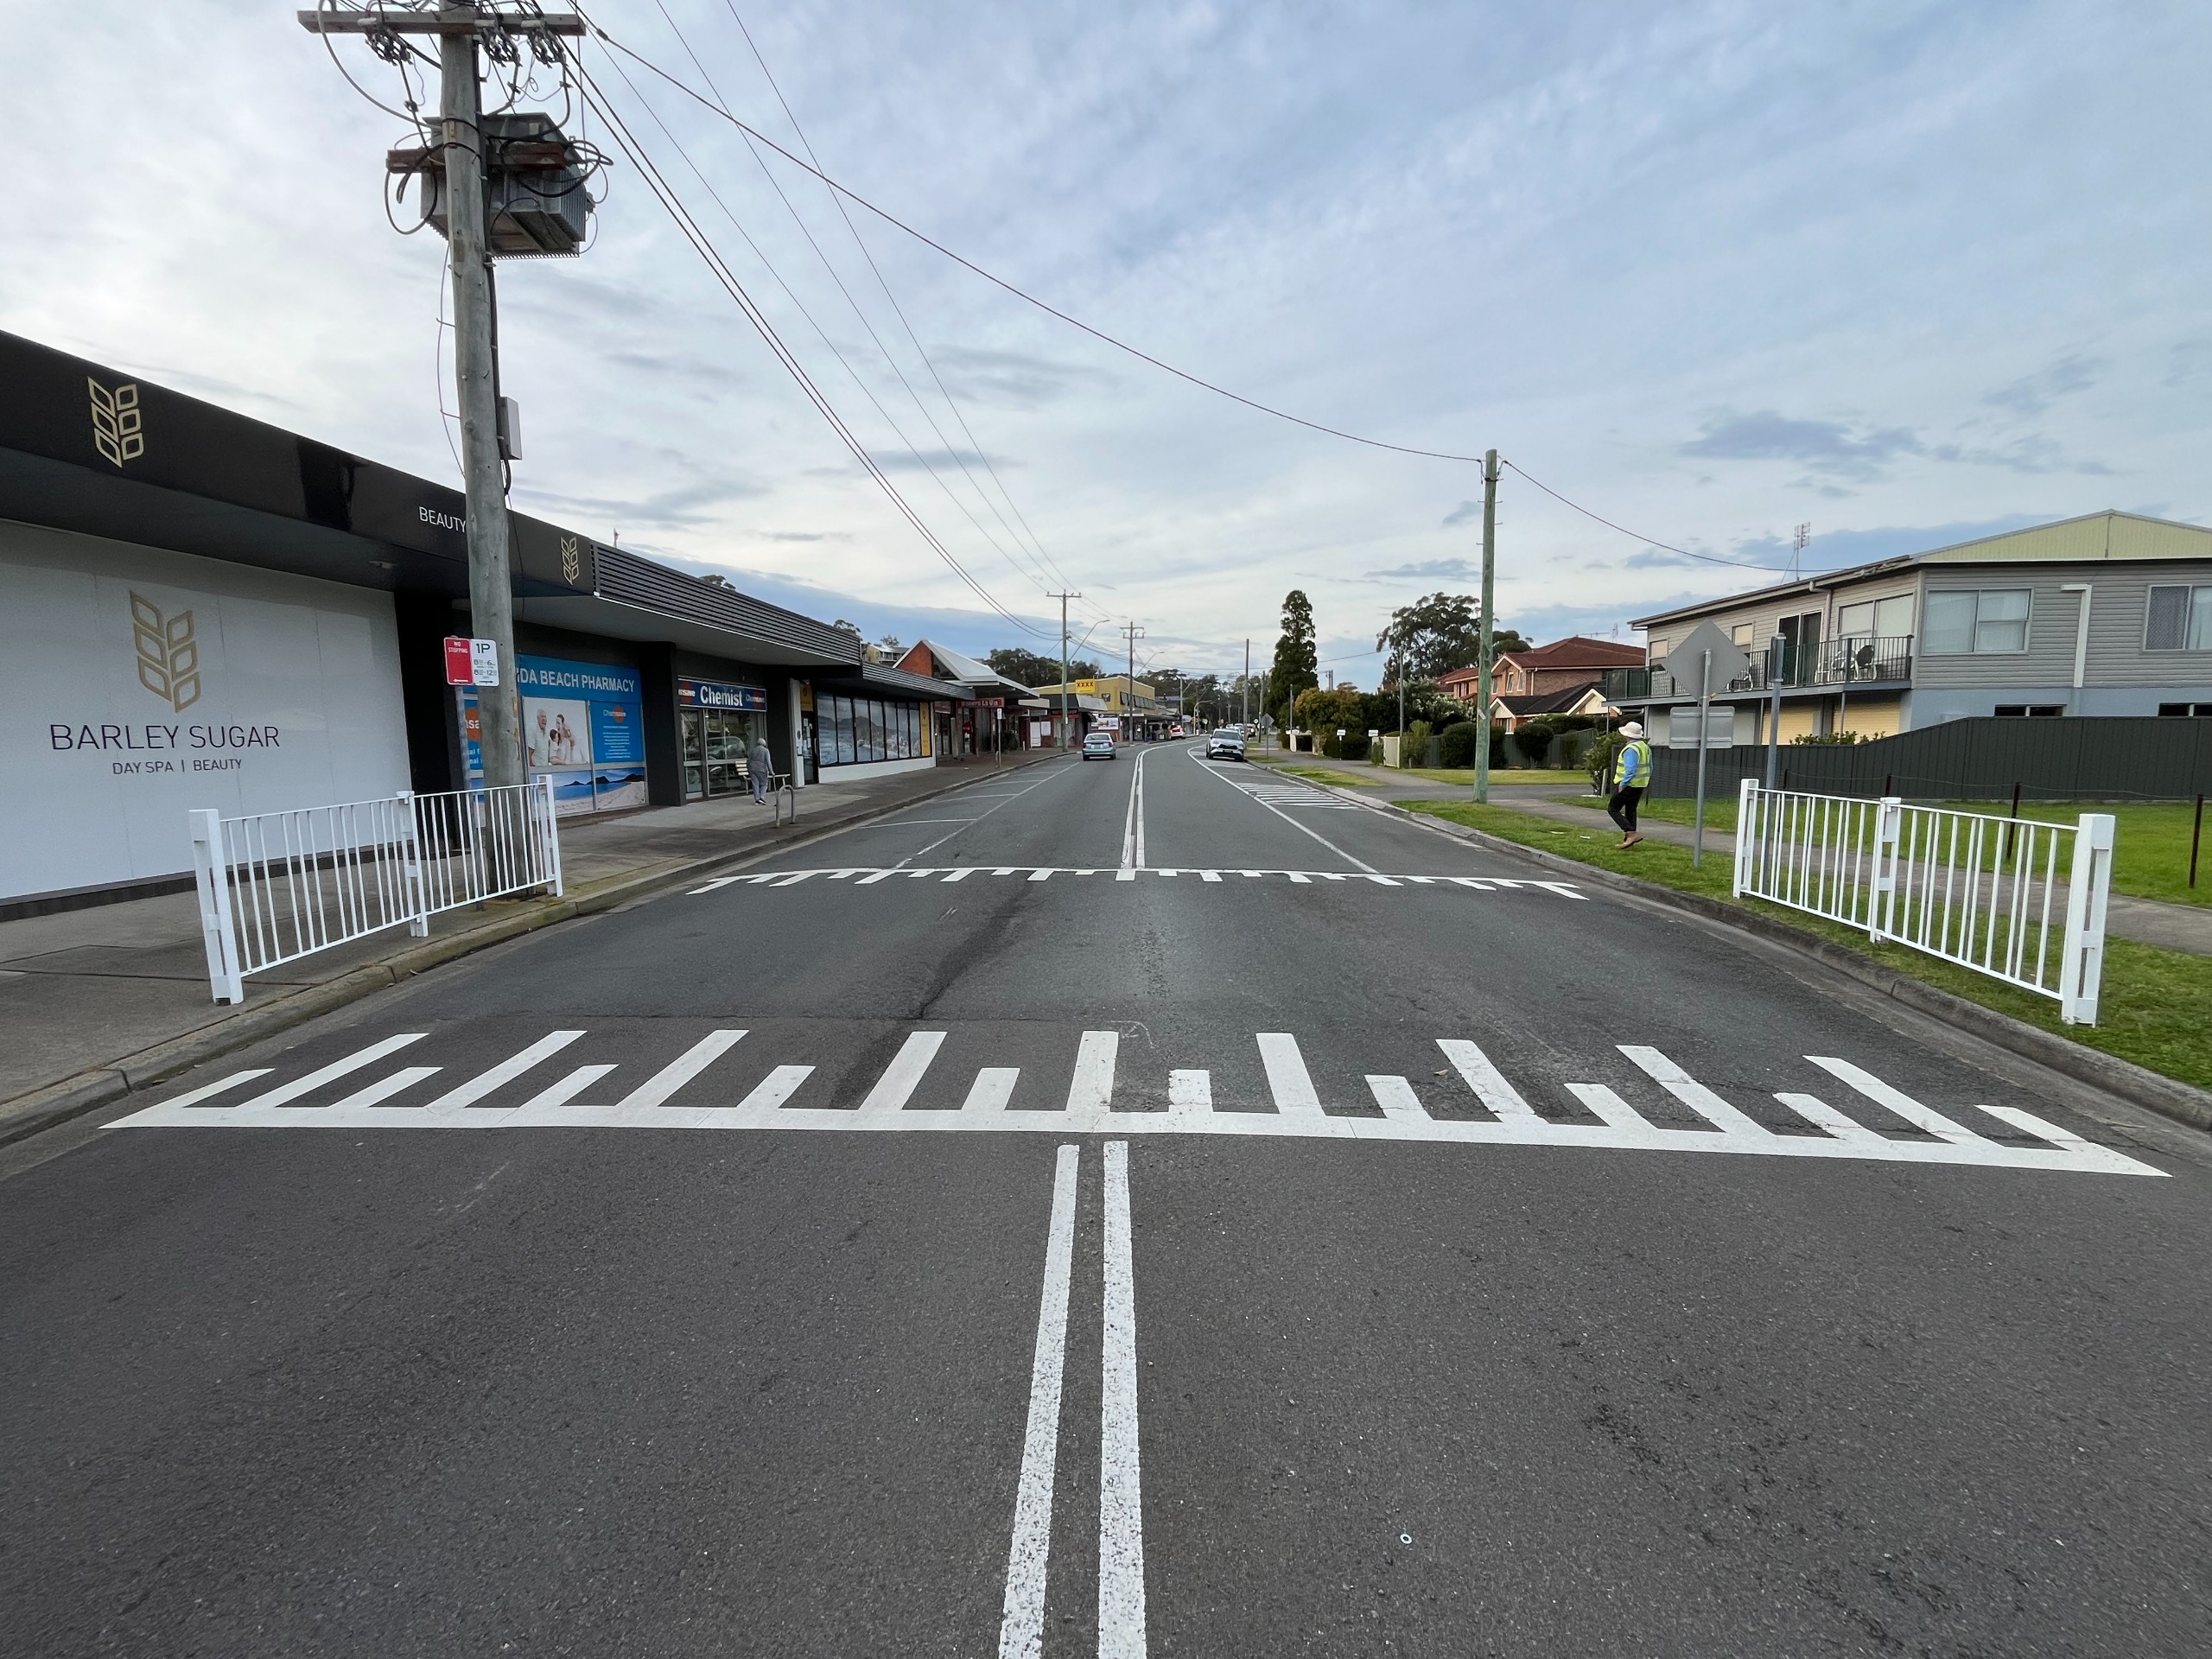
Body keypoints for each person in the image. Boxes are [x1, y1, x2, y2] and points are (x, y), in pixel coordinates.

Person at [1609, 721, 1652, 847]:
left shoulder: (1631, 749)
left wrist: (1623, 784)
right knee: (1630, 810)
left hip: (1629, 784)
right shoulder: (1645, 747)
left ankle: (1630, 832)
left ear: (1627, 735)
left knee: (1613, 809)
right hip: (1640, 784)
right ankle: (1630, 840)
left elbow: (1631, 770)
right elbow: (1650, 766)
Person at [747, 732, 774, 804]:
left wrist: (749, 769)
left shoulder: (753, 750)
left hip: (752, 769)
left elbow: (748, 761)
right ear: (764, 744)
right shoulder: (766, 751)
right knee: (764, 783)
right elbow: (768, 762)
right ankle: (762, 797)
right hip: (762, 769)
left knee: (755, 784)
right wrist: (771, 771)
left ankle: (757, 799)